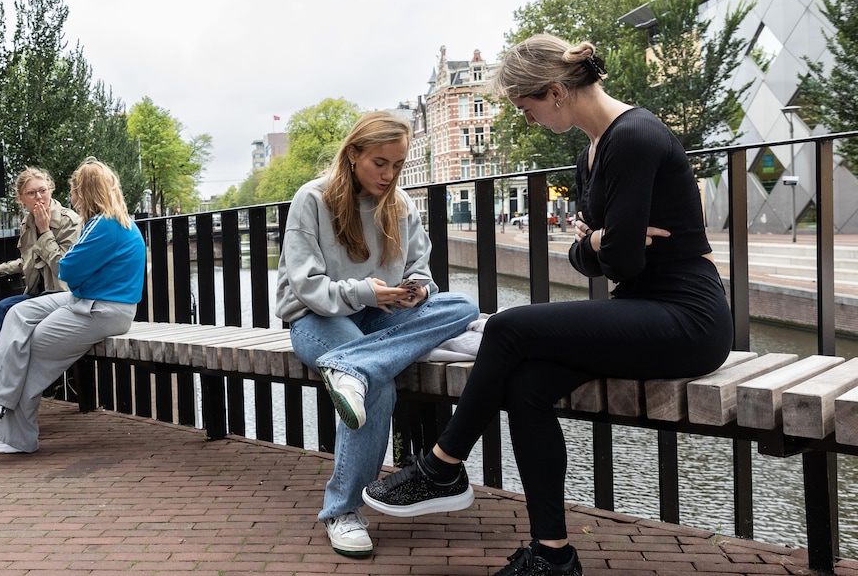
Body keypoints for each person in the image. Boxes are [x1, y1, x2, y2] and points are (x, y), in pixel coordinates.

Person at [361, 34, 734, 576]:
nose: (529, 120)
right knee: (526, 385)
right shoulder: (591, 154)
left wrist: (600, 244)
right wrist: (599, 243)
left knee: (509, 328)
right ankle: (552, 554)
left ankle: (442, 465)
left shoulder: (635, 135)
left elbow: (622, 262)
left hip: (688, 319)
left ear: (556, 91)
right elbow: (593, 259)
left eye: (526, 107)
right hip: (643, 312)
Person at [274, 111, 480, 558]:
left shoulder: (401, 205)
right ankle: (342, 511)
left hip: (379, 316)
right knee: (379, 389)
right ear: (353, 155)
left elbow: (421, 270)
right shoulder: (312, 199)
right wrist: (367, 291)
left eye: (398, 164)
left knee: (463, 304)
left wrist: (418, 290)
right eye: (380, 163)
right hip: (316, 318)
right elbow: (307, 287)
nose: (390, 175)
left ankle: (352, 367)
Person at [0, 158, 145, 455]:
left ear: (87, 192)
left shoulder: (103, 225)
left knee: (32, 345)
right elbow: (66, 268)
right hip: (88, 299)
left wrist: (50, 237)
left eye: (75, 191)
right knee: (17, 312)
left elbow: (69, 271)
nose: (72, 198)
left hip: (102, 308)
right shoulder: (105, 222)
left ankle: (19, 436)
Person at [0, 167, 80, 341]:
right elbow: (28, 261)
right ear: (21, 199)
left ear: (50, 190)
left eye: (43, 191)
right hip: (37, 294)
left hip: (62, 294)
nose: (39, 197)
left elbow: (63, 268)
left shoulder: (69, 221)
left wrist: (45, 231)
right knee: (1, 309)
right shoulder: (28, 223)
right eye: (31, 193)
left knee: (8, 311)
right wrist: (0, 270)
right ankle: (7, 366)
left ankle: (7, 367)